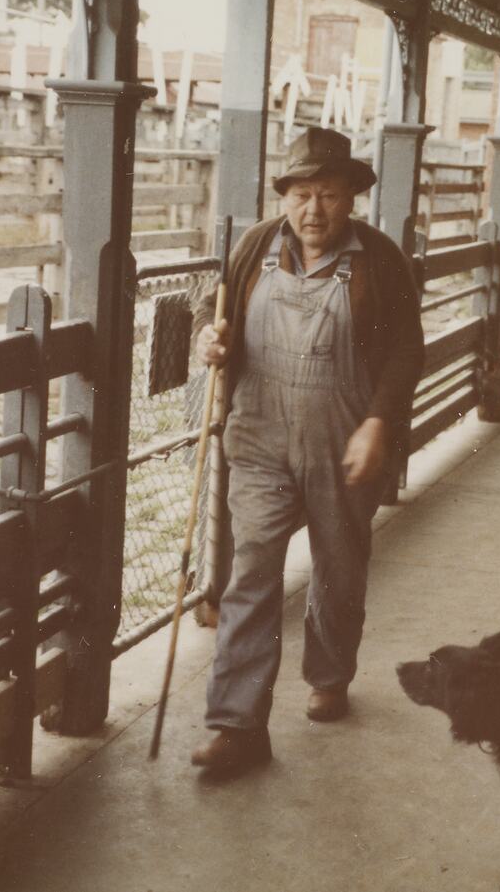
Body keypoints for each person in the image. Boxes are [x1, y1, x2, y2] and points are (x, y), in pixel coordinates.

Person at [189, 127, 425, 775]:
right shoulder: (254, 247)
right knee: (252, 571)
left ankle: (330, 671)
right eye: (301, 194)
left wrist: (379, 422)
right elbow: (218, 311)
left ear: (352, 198)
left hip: (343, 438)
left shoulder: (378, 260)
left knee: (339, 569)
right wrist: (212, 337)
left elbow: (408, 348)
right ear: (284, 196)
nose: (313, 209)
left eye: (328, 194)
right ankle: (238, 724)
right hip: (260, 436)